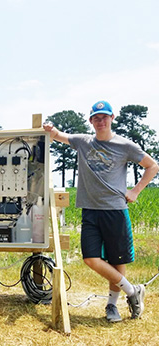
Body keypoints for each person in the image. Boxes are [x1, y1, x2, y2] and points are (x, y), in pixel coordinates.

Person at [43, 101, 159, 322]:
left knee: (117, 260)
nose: (101, 121)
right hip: (90, 210)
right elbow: (59, 135)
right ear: (91, 121)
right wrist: (49, 129)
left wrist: (135, 191)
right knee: (91, 258)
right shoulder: (83, 142)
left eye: (104, 117)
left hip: (115, 210)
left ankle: (112, 306)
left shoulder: (125, 146)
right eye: (96, 118)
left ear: (112, 118)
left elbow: (152, 166)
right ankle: (133, 291)